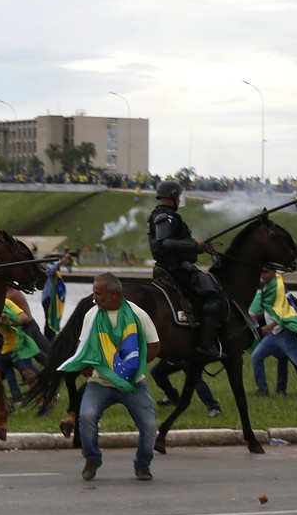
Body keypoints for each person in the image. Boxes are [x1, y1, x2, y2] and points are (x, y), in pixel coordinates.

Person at [58, 272, 160, 481]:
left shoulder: (138, 314)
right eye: (94, 293)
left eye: (98, 293)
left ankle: (142, 464)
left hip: (133, 383)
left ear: (114, 294)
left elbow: (154, 346)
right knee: (86, 417)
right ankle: (92, 458)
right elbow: (82, 344)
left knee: (149, 426)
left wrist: (134, 368)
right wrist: (83, 365)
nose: (94, 297)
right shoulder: (92, 315)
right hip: (99, 382)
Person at [147, 180, 223, 359]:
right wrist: (194, 246)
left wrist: (196, 245)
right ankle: (205, 345)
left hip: (171, 266)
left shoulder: (164, 216)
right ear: (173, 196)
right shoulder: (166, 217)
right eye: (178, 196)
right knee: (213, 296)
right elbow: (165, 243)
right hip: (176, 268)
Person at [249, 269, 297, 396]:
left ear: (273, 272)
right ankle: (263, 390)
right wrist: (259, 315)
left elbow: (288, 313)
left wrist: (270, 326)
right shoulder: (268, 287)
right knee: (256, 356)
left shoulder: (279, 289)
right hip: (274, 336)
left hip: (285, 334)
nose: (262, 275)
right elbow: (271, 310)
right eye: (261, 272)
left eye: (265, 272)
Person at [150, 359, 222, 417]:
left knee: (196, 380)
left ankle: (214, 408)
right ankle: (173, 398)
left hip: (188, 356)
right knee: (157, 372)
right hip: (175, 355)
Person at [41, 250, 73, 341]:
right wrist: (63, 260)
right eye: (54, 256)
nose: (56, 258)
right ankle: (47, 340)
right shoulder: (48, 268)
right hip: (48, 299)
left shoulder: (56, 271)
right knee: (49, 320)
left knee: (54, 319)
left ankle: (52, 338)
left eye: (58, 256)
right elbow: (53, 268)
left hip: (54, 300)